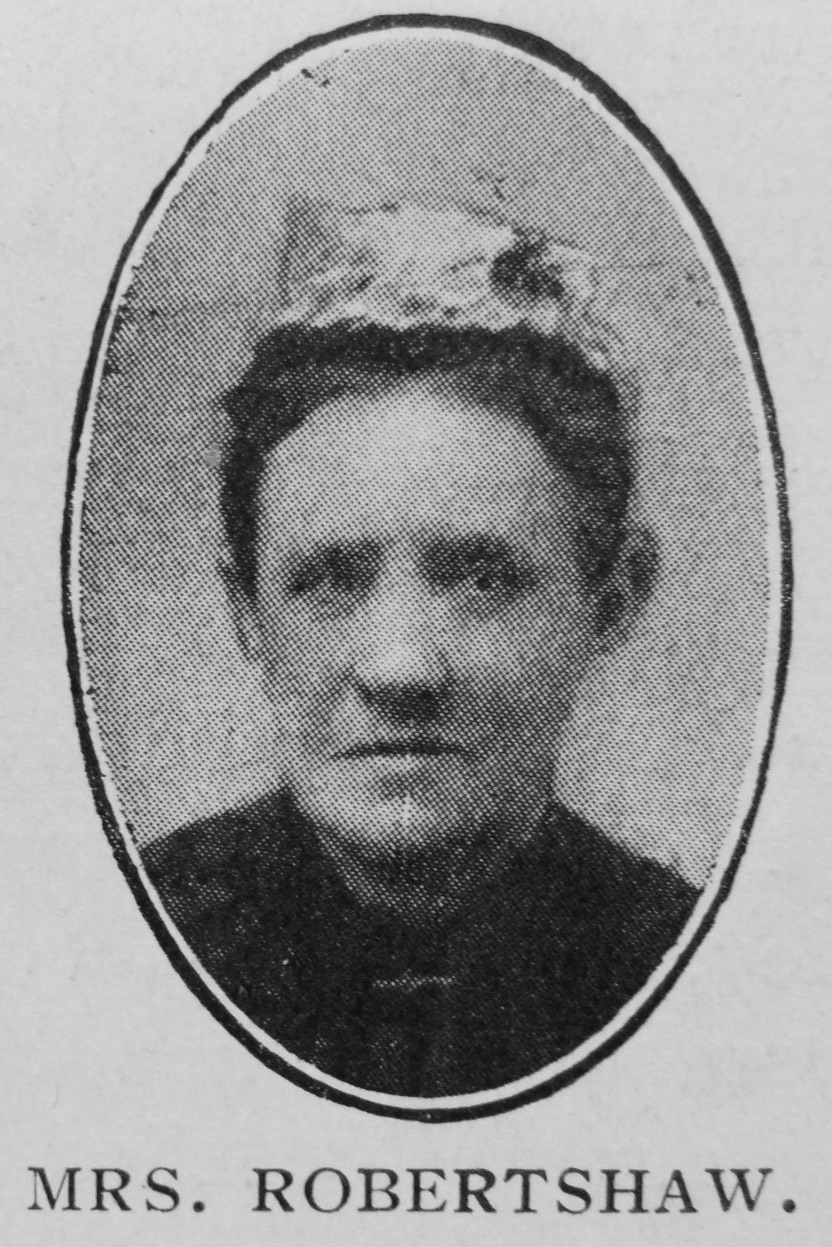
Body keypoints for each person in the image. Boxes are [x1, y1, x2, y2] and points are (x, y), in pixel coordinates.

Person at [144, 199, 699, 1097]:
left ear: (613, 600)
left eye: (482, 577)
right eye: (331, 578)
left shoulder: (702, 964)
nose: (400, 667)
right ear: (246, 610)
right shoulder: (124, 940)